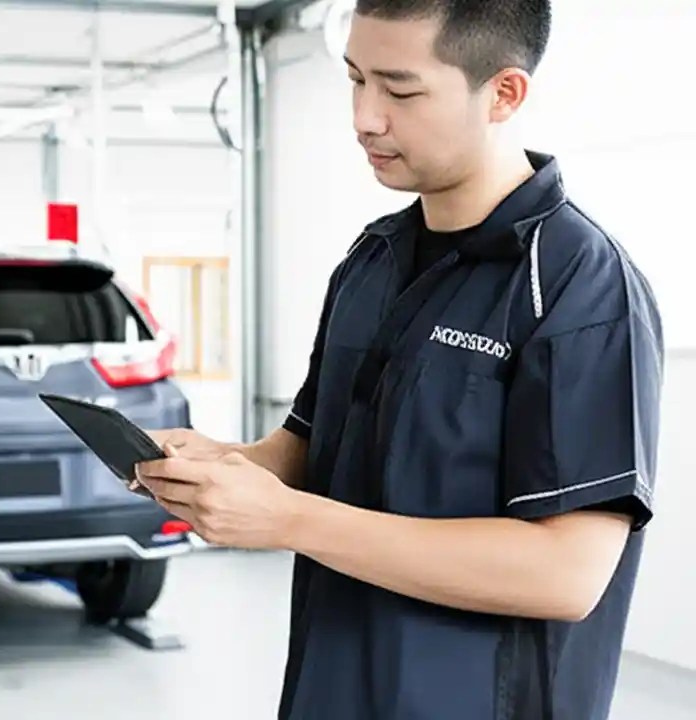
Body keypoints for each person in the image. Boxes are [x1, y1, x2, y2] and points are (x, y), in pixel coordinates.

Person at [135, 1, 662, 718]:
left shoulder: (579, 285)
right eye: (355, 80)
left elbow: (567, 573)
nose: (365, 118)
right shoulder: (372, 258)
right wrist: (219, 467)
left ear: (503, 94)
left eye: (400, 89)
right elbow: (310, 448)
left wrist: (289, 521)